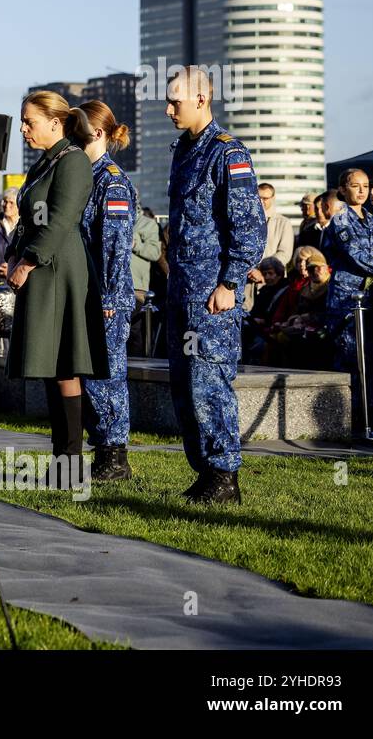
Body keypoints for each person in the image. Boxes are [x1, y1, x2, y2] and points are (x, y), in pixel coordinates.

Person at [164, 66, 266, 504]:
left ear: (201, 100)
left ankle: (224, 476)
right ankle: (205, 471)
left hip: (212, 297)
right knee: (186, 385)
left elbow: (250, 227)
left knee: (210, 382)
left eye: (176, 101)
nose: (169, 109)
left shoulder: (227, 153)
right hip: (183, 291)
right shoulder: (183, 150)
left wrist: (230, 282)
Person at [5, 91, 108, 487]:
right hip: (40, 270)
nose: (23, 128)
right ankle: (60, 463)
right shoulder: (43, 165)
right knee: (51, 366)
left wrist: (28, 261)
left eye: (30, 121)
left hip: (59, 270)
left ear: (56, 122)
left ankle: (70, 465)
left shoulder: (74, 161)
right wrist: (15, 255)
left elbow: (62, 219)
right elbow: (30, 221)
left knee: (65, 366)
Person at [77, 101, 138, 480]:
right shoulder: (88, 176)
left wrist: (109, 297)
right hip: (90, 291)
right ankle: (103, 450)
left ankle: (114, 458)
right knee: (92, 375)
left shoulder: (111, 181)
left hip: (106, 295)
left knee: (106, 376)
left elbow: (115, 246)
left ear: (97, 134)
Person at [321, 169, 373, 418]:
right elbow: (360, 259)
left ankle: (369, 416)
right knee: (351, 361)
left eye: (365, 186)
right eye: (355, 186)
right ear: (342, 189)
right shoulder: (342, 220)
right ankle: (350, 421)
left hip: (368, 299)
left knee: (371, 360)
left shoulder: (371, 219)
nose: (362, 191)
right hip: (347, 302)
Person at [245, 182, 294, 313]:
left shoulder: (283, 223)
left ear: (273, 198)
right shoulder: (246, 222)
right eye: (258, 197)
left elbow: (284, 254)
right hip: (248, 282)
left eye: (265, 198)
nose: (261, 201)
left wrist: (262, 270)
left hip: (272, 282)